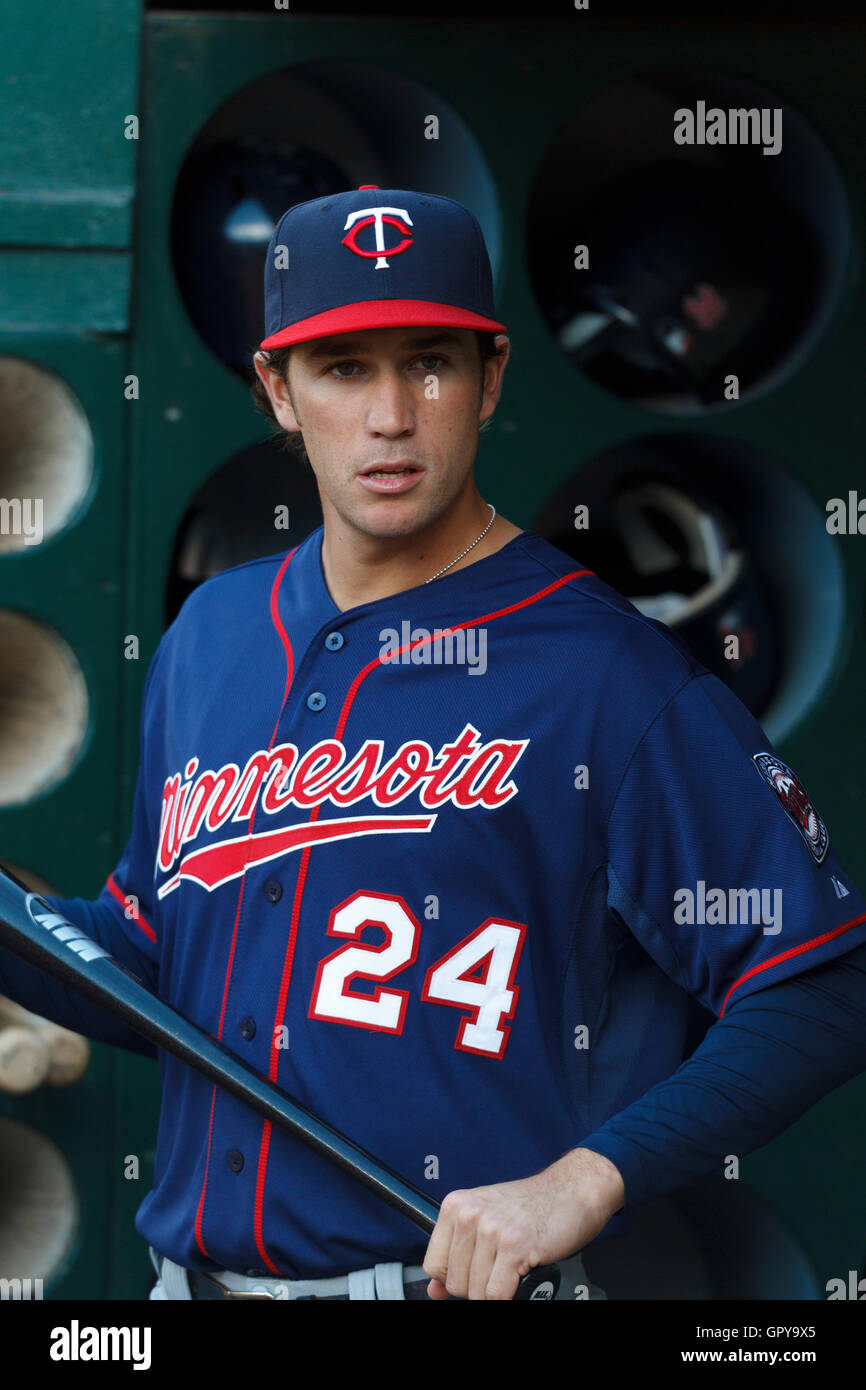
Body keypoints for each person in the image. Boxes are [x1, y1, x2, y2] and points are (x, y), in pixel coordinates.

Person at [1, 186, 865, 1302]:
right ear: (276, 389)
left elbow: (819, 979)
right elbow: (153, 954)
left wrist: (586, 1178)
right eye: (342, 367)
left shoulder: (604, 676)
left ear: (489, 378)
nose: (390, 415)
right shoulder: (212, 633)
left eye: (429, 363)